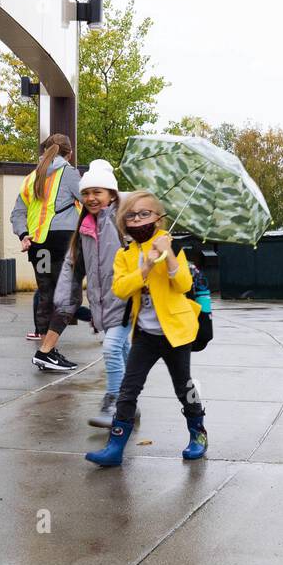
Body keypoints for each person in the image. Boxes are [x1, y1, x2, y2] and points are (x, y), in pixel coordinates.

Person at [85, 192, 207, 467]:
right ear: (123, 222)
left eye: (145, 214)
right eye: (131, 215)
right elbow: (120, 289)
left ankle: (198, 434)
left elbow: (184, 285)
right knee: (129, 389)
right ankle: (115, 446)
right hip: (145, 335)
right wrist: (146, 267)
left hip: (175, 332)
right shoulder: (124, 255)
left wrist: (168, 258)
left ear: (158, 218)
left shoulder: (170, 246)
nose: (138, 219)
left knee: (183, 386)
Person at [30, 160, 140, 430]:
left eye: (97, 192)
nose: (91, 198)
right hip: (103, 302)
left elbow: (144, 249)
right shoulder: (86, 226)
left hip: (127, 299)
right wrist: (65, 300)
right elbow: (71, 264)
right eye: (87, 193)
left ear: (111, 194)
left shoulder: (124, 220)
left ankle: (113, 401)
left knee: (112, 348)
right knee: (123, 348)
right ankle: (130, 402)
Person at [10, 133, 82, 343]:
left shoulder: (31, 178)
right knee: (68, 294)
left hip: (37, 243)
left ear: (45, 152)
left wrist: (23, 235)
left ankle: (43, 339)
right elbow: (88, 200)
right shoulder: (69, 174)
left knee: (45, 293)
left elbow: (17, 213)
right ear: (70, 154)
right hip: (63, 241)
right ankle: (52, 345)